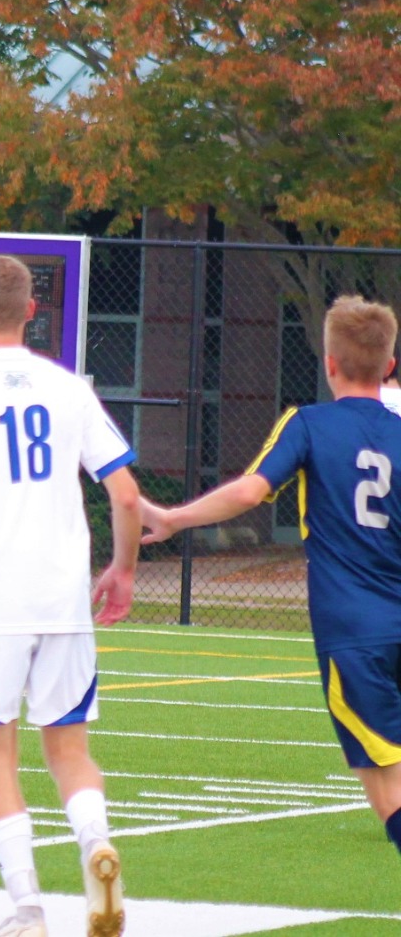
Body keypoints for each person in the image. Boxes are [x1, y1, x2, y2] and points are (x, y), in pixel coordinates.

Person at [0, 254, 141, 937]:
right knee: (69, 749)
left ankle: (29, 908)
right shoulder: (70, 387)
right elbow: (124, 492)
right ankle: (96, 842)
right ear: (34, 311)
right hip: (64, 598)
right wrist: (123, 568)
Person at [143, 294, 401, 868]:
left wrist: (174, 518)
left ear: (329, 362)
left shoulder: (307, 423)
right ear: (389, 366)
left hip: (354, 631)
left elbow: (250, 491)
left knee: (386, 786)